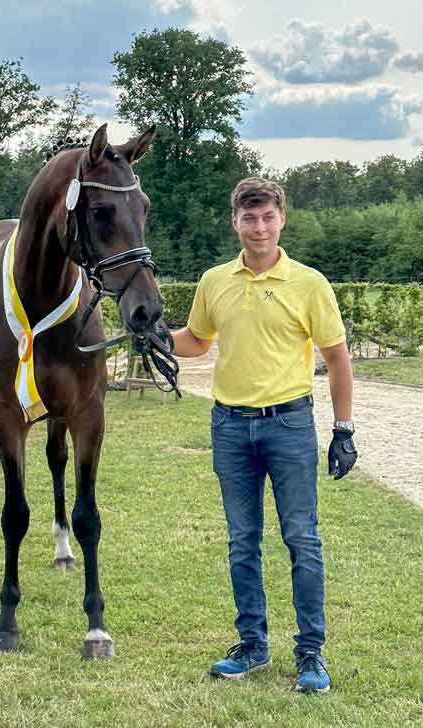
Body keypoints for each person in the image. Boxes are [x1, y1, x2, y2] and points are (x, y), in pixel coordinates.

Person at [170, 178, 357, 692]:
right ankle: (252, 646)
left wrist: (343, 428)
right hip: (230, 427)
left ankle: (311, 653)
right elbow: (196, 340)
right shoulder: (214, 281)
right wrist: (155, 334)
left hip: (290, 425)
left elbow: (337, 359)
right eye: (249, 219)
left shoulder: (309, 283)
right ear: (235, 222)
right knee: (242, 541)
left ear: (282, 219)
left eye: (267, 217)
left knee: (302, 538)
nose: (259, 228)